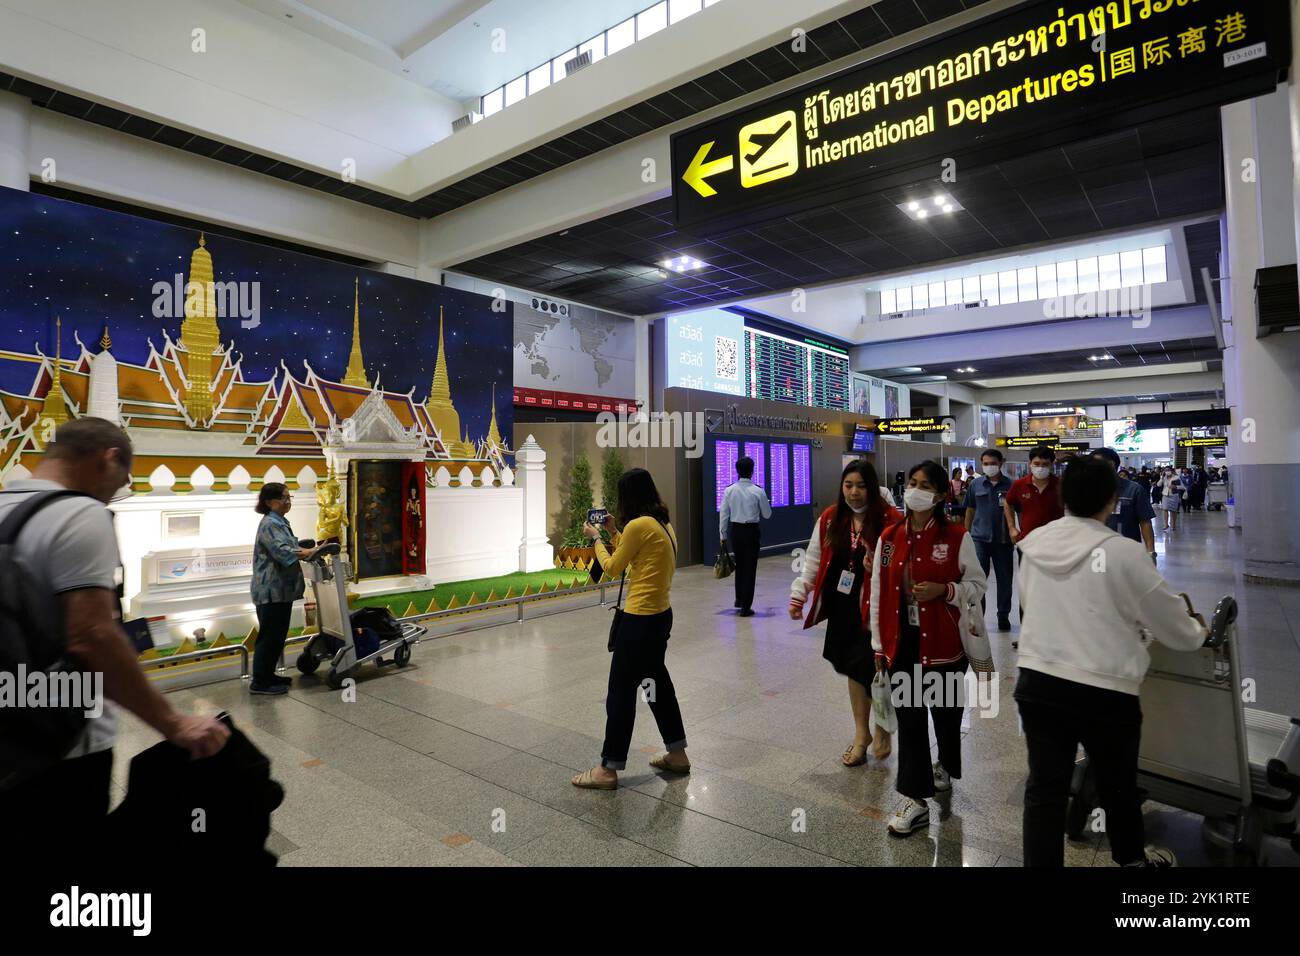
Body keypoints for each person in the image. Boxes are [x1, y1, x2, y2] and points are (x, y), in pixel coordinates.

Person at [0, 418, 229, 857]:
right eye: (121, 481)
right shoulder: (79, 513)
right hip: (62, 742)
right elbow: (91, 636)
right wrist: (173, 723)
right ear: (108, 460)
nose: (117, 492)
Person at [1014, 456, 1207, 867]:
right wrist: (1199, 633)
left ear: (1063, 496)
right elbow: (1175, 627)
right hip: (1105, 692)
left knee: (1045, 789)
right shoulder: (1122, 553)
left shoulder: (1033, 546)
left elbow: (1030, 606)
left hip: (1039, 682)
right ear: (1111, 499)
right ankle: (1131, 861)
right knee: (1118, 785)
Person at [870, 461, 987, 836]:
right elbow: (877, 592)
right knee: (911, 719)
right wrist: (878, 644)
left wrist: (947, 591)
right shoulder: (889, 538)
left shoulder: (956, 537)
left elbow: (978, 586)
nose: (915, 490)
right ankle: (915, 799)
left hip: (945, 646)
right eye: (912, 482)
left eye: (925, 485)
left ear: (939, 495)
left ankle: (946, 766)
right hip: (903, 644)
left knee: (948, 716)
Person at [573, 468, 688, 789]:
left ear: (628, 497)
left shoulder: (639, 525)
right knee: (657, 687)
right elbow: (639, 553)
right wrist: (613, 532)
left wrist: (596, 538)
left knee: (621, 694)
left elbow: (612, 567)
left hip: (638, 622)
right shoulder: (660, 522)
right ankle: (677, 754)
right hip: (660, 616)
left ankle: (607, 769)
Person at [789, 460, 901, 766]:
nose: (853, 493)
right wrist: (800, 594)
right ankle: (860, 733)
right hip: (843, 608)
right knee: (852, 668)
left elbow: (901, 565)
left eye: (861, 486)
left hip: (877, 609)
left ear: (872, 487)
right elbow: (813, 558)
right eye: (848, 485)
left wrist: (876, 568)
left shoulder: (890, 520)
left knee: (874, 668)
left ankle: (882, 728)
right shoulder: (831, 518)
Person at [251, 482, 314, 696]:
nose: (288, 501)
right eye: (283, 498)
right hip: (271, 589)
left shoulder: (281, 522)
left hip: (282, 590)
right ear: (269, 502)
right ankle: (259, 682)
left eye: (289, 497)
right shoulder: (270, 523)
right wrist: (306, 553)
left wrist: (307, 550)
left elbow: (291, 546)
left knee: (277, 635)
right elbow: (281, 551)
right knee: (269, 636)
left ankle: (269, 676)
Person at [964, 448, 1015, 632]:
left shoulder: (1011, 485)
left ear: (1001, 463)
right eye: (986, 463)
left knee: (1004, 581)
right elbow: (969, 510)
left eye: (993, 463)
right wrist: (965, 534)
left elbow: (1019, 510)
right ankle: (978, 616)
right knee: (978, 581)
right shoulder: (975, 485)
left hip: (1003, 540)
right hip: (980, 539)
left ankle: (1003, 616)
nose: (989, 466)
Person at [719, 456, 771, 617]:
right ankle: (746, 607)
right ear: (752, 471)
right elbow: (767, 514)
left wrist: (723, 534)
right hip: (751, 532)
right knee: (750, 568)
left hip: (736, 531)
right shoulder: (758, 490)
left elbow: (724, 514)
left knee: (740, 565)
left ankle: (739, 599)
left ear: (737, 471)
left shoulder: (729, 490)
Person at [1091, 448, 1157, 564]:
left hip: (1127, 552)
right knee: (1100, 581)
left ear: (1111, 465)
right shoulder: (1087, 490)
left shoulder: (1134, 490)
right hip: (1097, 554)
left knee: (1126, 582)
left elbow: (1145, 522)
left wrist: (1150, 553)